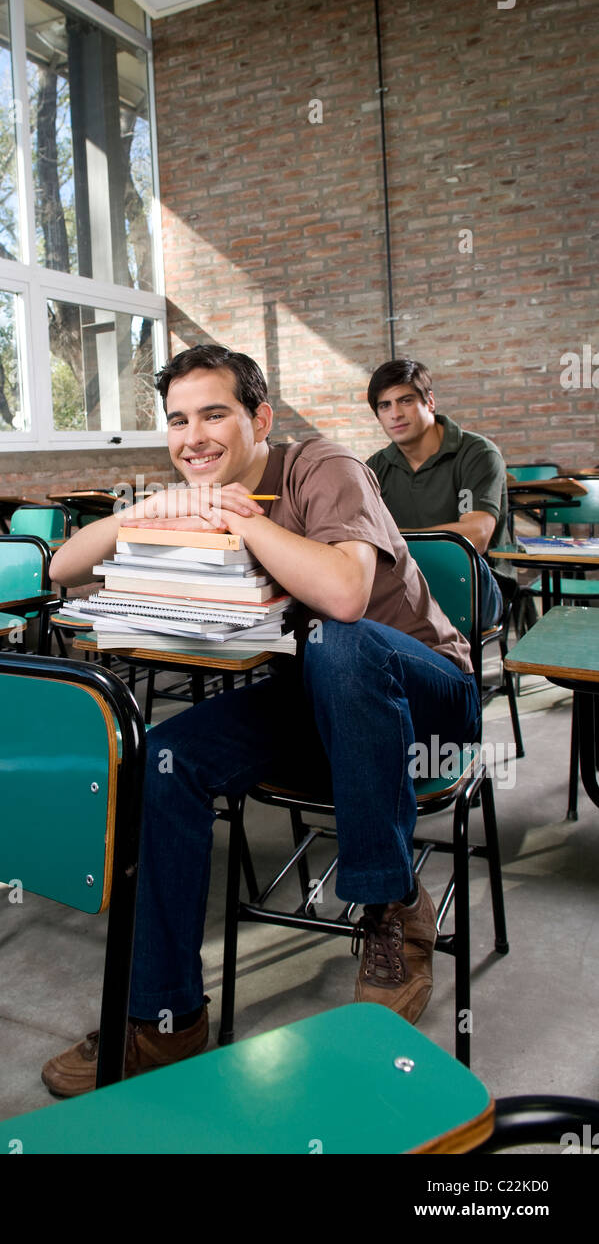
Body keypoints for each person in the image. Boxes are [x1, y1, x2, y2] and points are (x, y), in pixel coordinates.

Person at [42, 344, 480, 1098]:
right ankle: (164, 1018)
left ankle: (389, 907)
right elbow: (62, 568)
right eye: (177, 421)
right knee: (165, 760)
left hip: (426, 692)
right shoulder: (193, 489)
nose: (193, 437)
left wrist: (243, 524)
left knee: (338, 640)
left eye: (214, 413)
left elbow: (344, 597)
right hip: (317, 700)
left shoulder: (322, 466)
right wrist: (152, 508)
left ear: (260, 419)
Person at [366, 359, 511, 632]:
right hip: (408, 582)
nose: (395, 414)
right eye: (385, 406)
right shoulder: (375, 467)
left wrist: (396, 539)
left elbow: (476, 537)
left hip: (475, 583)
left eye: (405, 400)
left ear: (429, 401)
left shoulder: (478, 453)